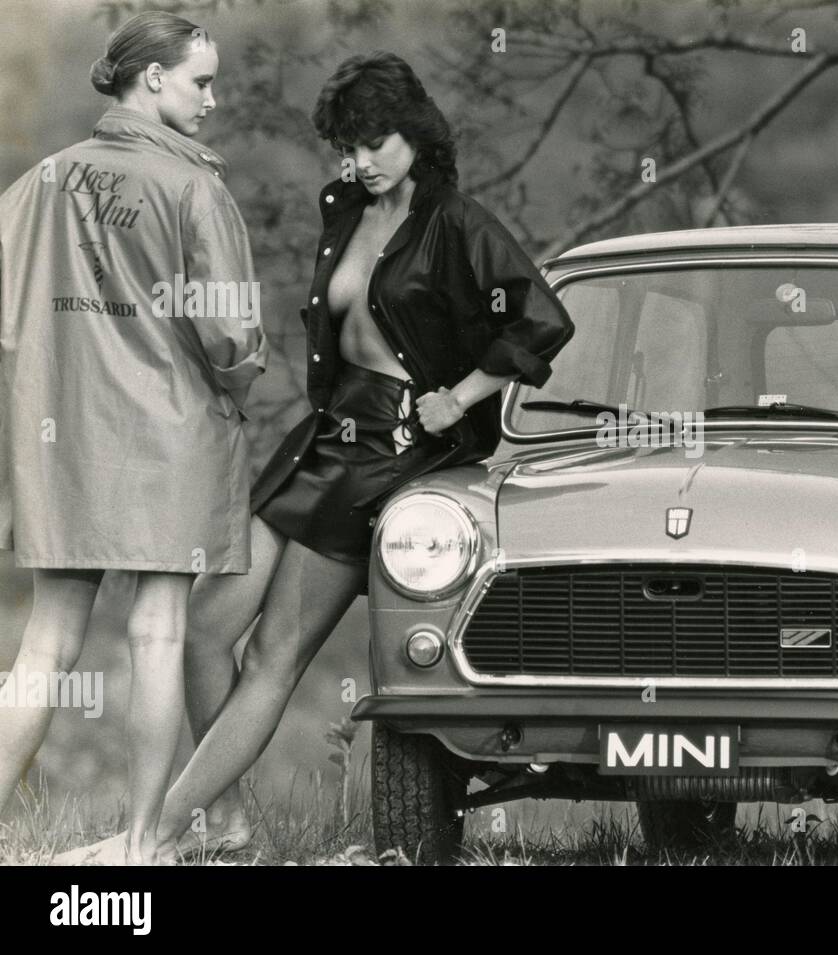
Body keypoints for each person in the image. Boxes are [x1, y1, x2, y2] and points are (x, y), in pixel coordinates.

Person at [56, 50, 574, 864]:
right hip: (325, 435)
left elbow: (540, 319)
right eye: (346, 145)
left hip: (393, 453)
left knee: (271, 657)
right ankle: (220, 826)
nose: (358, 162)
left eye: (373, 142)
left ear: (414, 131)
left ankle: (147, 838)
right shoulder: (344, 207)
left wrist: (463, 396)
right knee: (203, 628)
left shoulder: (458, 223)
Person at [0, 11, 268, 863]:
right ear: (151, 79)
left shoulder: (43, 180)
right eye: (201, 81)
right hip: (169, 438)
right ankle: (144, 841)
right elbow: (230, 335)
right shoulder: (195, 188)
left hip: (63, 437)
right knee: (157, 634)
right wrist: (240, 382)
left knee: (44, 642)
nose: (213, 100)